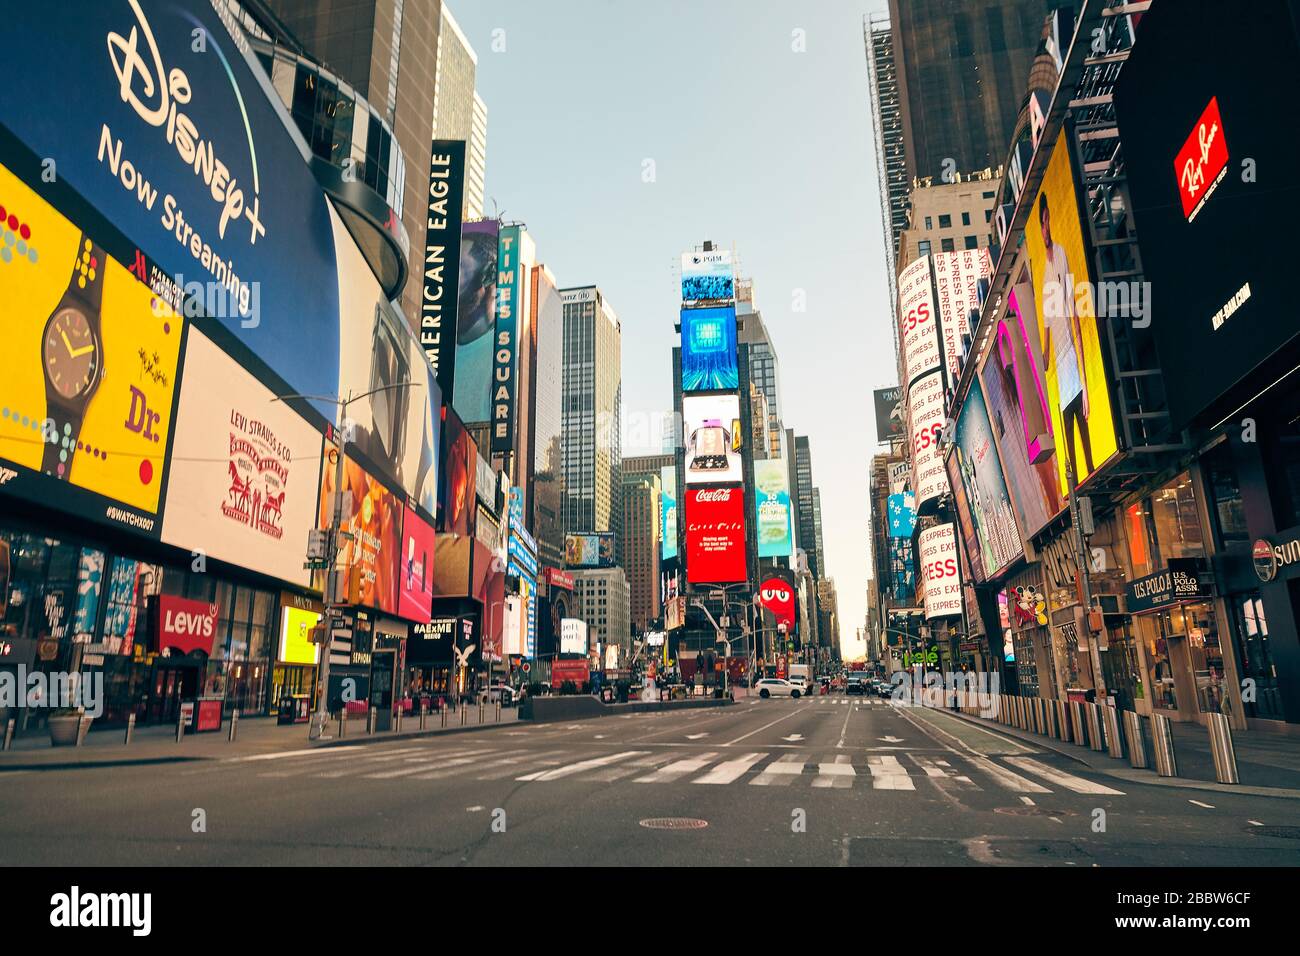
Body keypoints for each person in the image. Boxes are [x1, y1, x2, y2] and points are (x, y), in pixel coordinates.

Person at [1038, 191, 1095, 480]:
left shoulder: (1060, 253)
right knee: (1067, 423)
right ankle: (1076, 479)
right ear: (1040, 229)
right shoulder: (1044, 271)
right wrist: (1045, 353)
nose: (1046, 228)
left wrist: (1085, 381)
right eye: (1043, 224)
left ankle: (1090, 470)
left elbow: (1072, 304)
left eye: (1048, 221)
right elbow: (1047, 319)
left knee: (1081, 420)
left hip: (1071, 350)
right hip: (1058, 362)